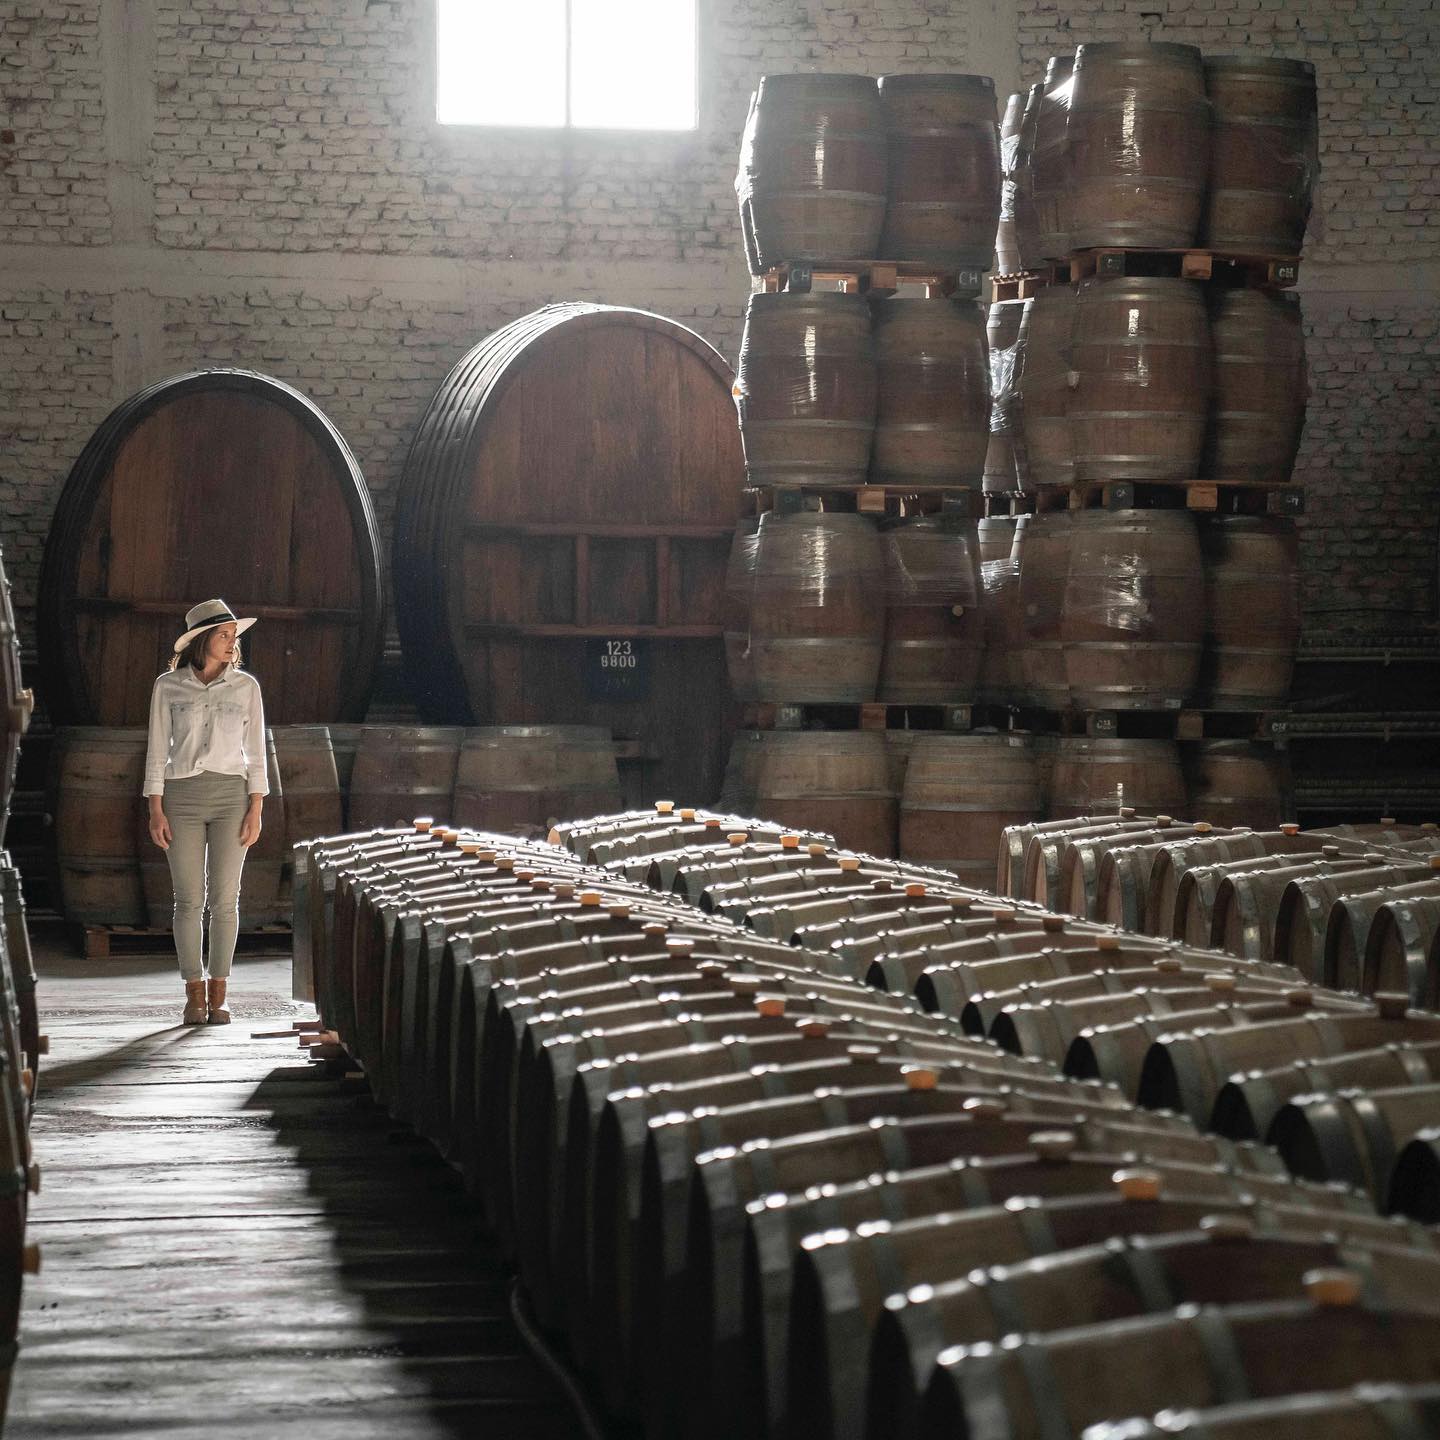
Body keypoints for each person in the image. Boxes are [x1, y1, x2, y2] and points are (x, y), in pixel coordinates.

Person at [143, 599, 268, 1026]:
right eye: (223, 635)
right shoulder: (168, 686)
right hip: (182, 797)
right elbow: (157, 750)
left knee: (226, 899)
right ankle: (194, 995)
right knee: (188, 899)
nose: (232, 642)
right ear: (201, 642)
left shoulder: (246, 687)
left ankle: (221, 993)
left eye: (234, 635)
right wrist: (155, 808)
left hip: (232, 795)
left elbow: (256, 754)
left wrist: (256, 807)